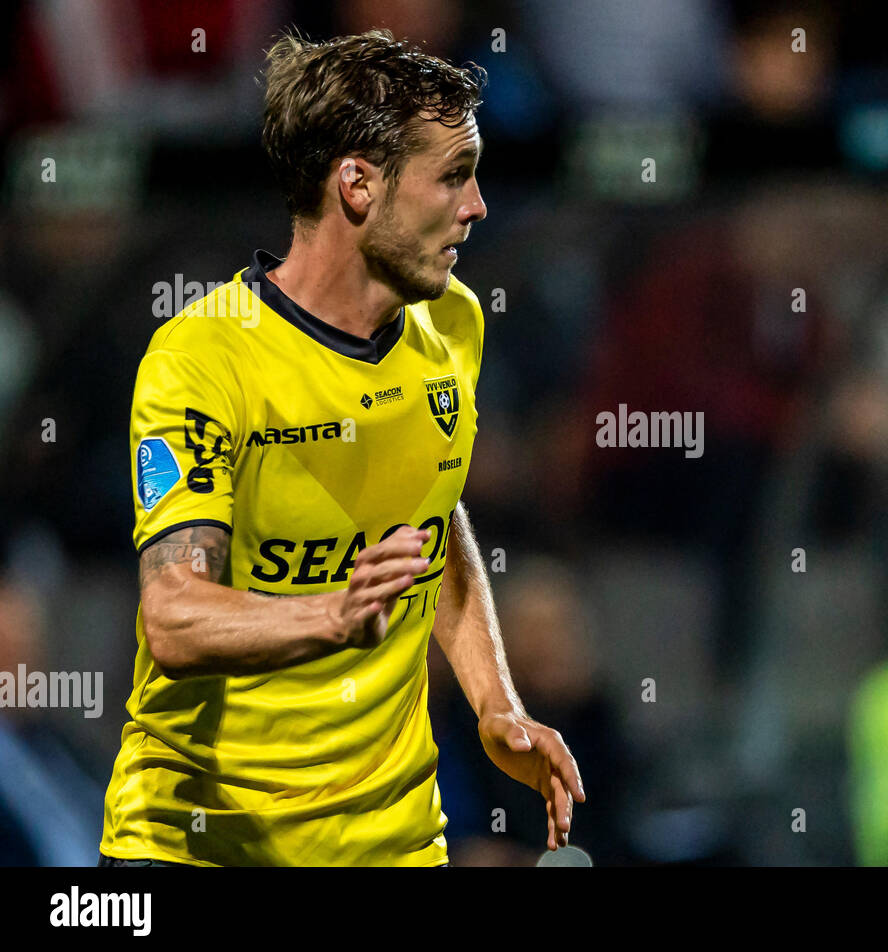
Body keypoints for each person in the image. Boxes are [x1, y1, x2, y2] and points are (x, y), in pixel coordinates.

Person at [98, 30, 583, 867]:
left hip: (391, 845)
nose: (478, 207)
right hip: (194, 843)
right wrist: (331, 614)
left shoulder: (452, 323)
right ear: (357, 183)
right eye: (453, 176)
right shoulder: (204, 360)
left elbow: (432, 511)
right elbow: (174, 616)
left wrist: (494, 701)